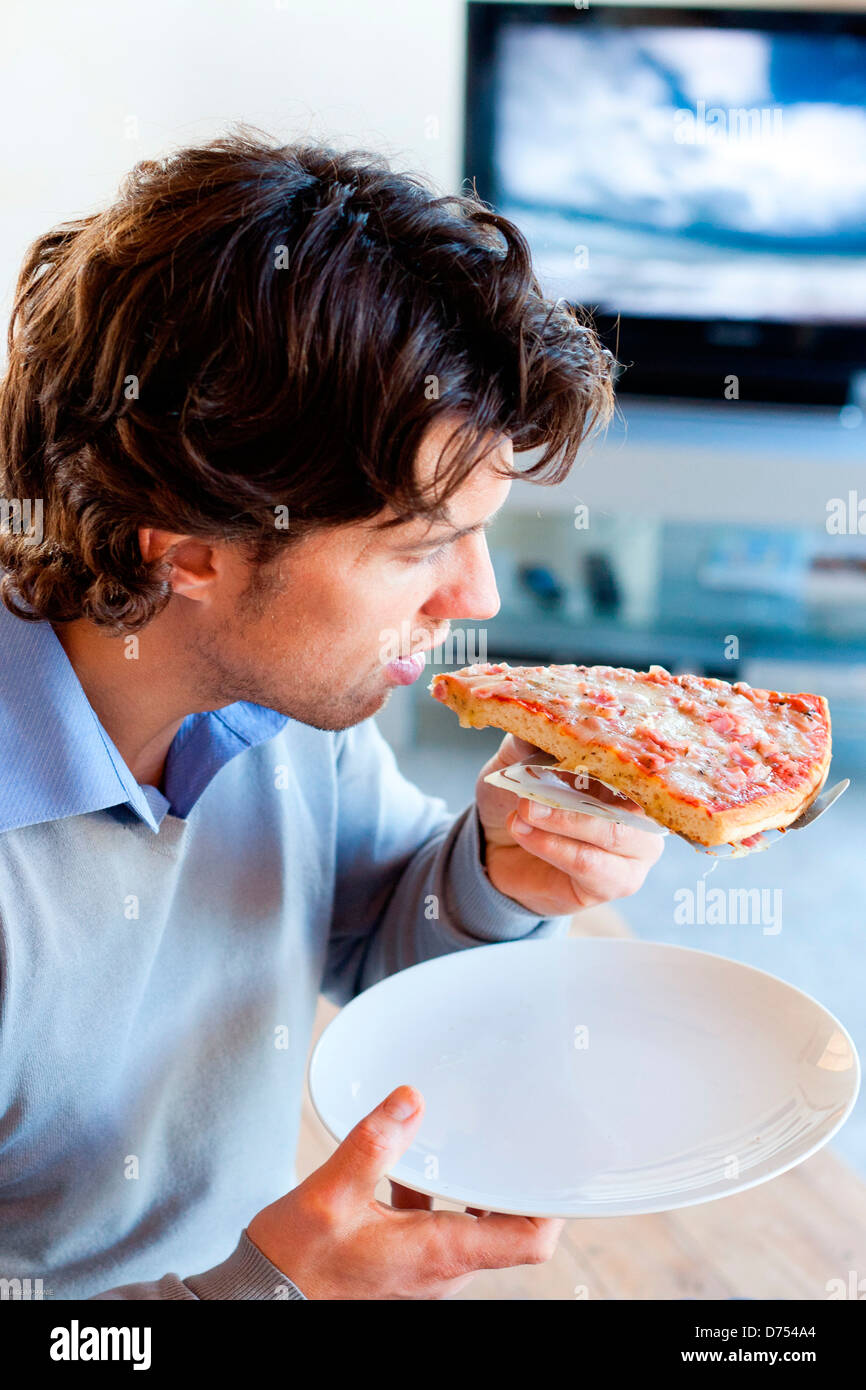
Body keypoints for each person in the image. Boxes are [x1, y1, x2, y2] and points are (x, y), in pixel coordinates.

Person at [0, 129, 663, 1301]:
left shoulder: (281, 707)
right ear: (190, 550)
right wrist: (256, 1292)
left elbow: (378, 934)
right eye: (422, 548)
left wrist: (495, 874)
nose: (479, 599)